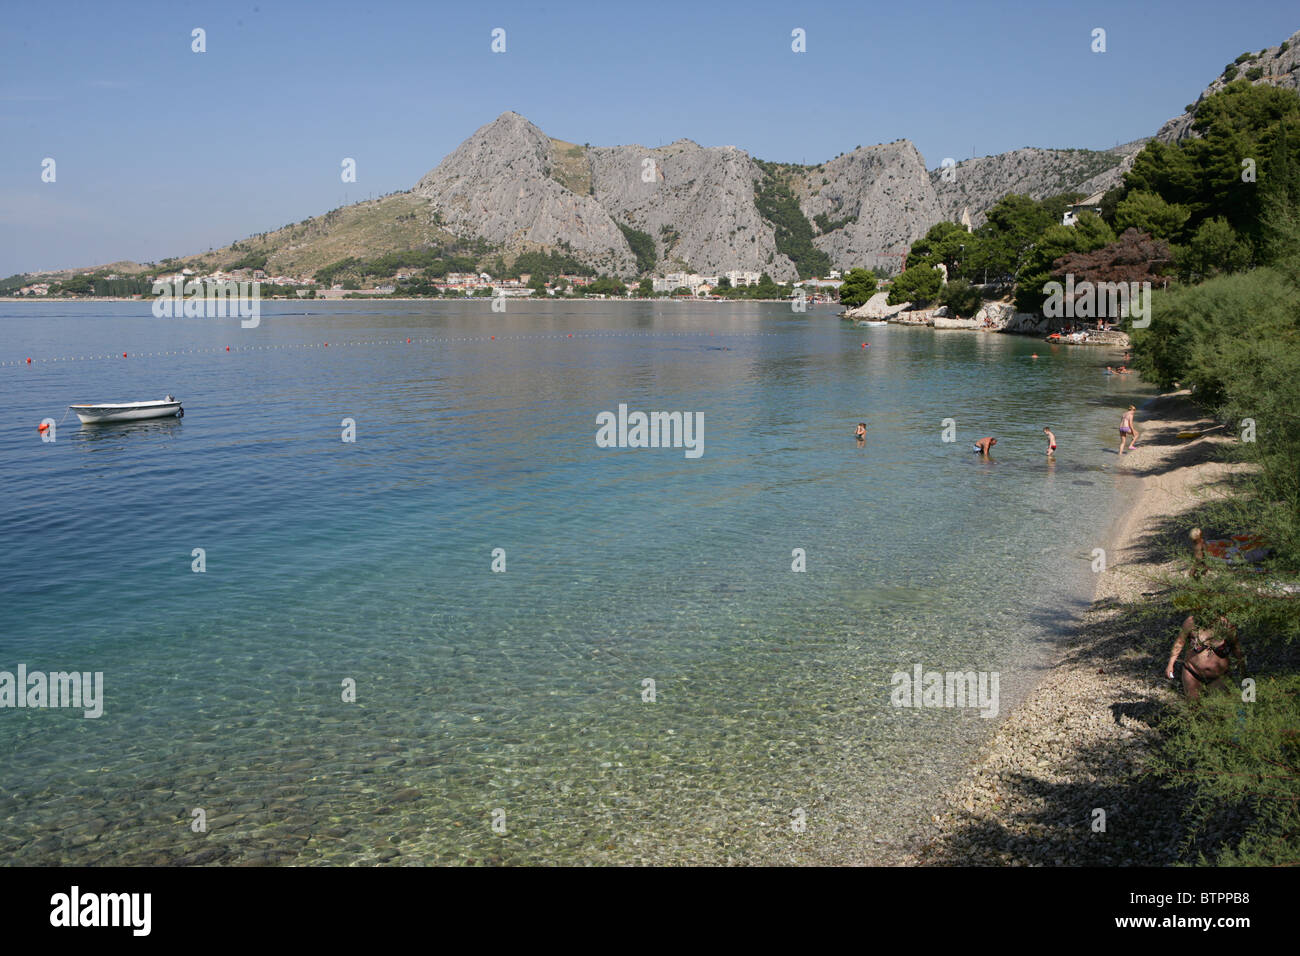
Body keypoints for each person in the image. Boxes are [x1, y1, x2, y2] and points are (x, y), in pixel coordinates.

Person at [1165, 613, 1245, 700]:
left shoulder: (1226, 624)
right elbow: (1179, 642)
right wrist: (1170, 664)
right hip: (1192, 672)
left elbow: (1236, 647)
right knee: (1193, 707)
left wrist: (1242, 667)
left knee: (1222, 708)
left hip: (1218, 676)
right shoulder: (1191, 622)